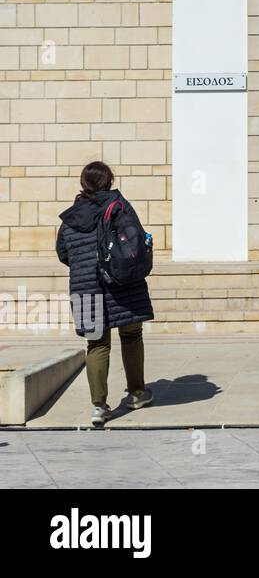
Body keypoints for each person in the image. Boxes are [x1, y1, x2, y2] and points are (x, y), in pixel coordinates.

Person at [55, 161, 154, 428]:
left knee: (96, 344)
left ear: (83, 184)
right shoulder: (119, 208)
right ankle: (136, 394)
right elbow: (137, 242)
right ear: (109, 181)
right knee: (131, 336)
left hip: (85, 287)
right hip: (124, 285)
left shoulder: (71, 218)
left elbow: (64, 254)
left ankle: (99, 407)